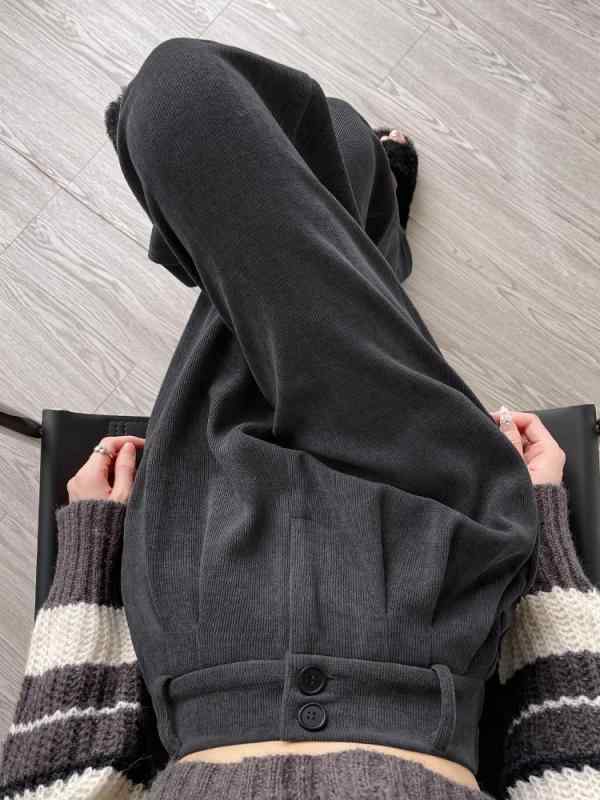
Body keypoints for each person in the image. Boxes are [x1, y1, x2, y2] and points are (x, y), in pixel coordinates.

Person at [1, 36, 599, 799]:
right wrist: (548, 534)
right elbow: (575, 767)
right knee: (302, 142)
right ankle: (360, 220)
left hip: (207, 615)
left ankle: (360, 222)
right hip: (433, 590)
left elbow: (55, 781)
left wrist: (90, 552)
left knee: (183, 94)